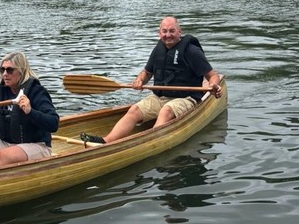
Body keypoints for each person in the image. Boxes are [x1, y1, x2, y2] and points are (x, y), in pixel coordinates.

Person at [81, 16, 223, 145]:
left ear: (180, 31)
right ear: (159, 33)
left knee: (165, 111)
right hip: (159, 97)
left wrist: (213, 84)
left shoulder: (191, 51)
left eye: (172, 31)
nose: (168, 35)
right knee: (134, 110)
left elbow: (212, 76)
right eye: (164, 31)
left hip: (186, 98)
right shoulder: (158, 50)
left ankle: (149, 142)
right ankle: (106, 141)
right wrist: (140, 80)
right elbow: (146, 72)